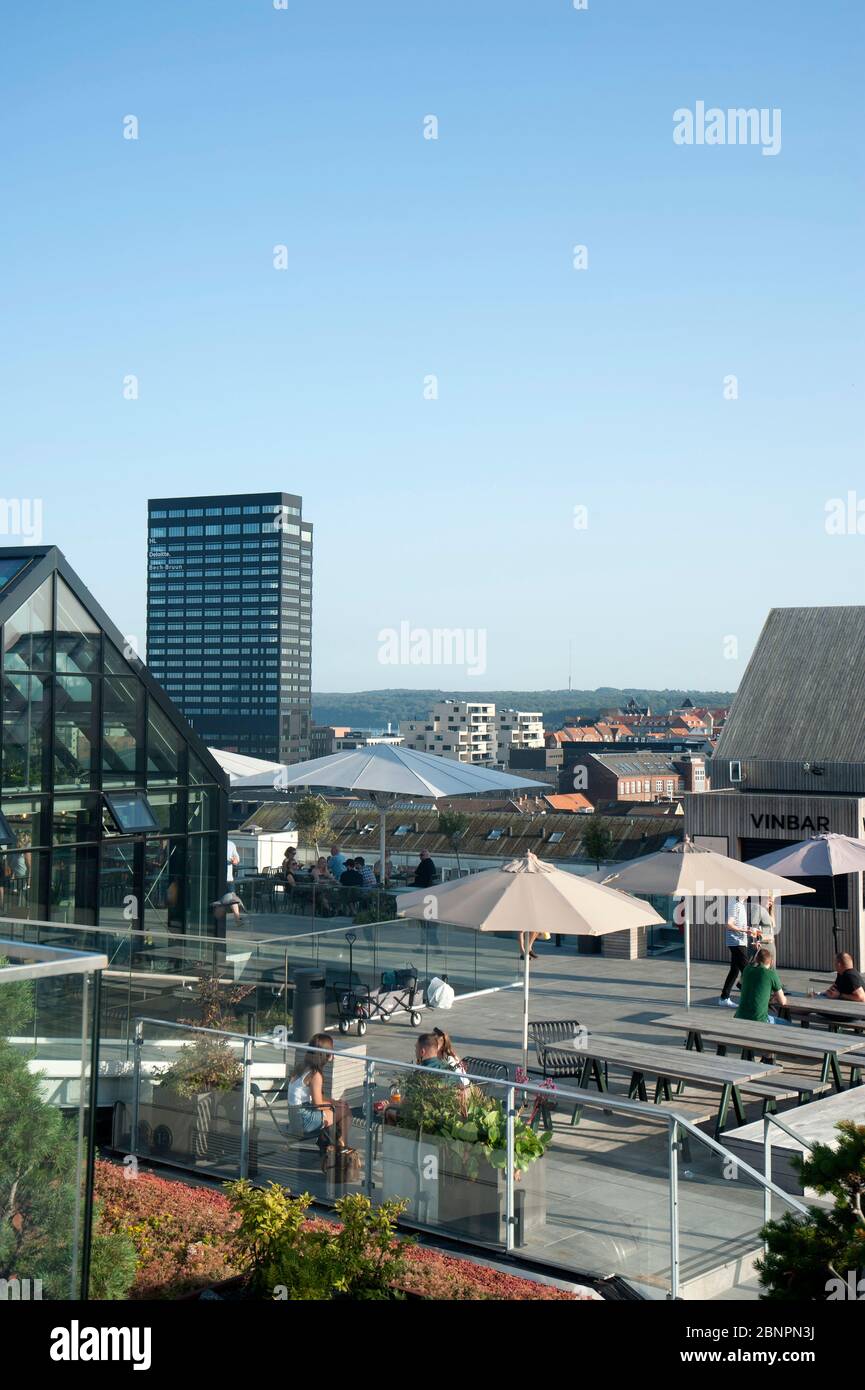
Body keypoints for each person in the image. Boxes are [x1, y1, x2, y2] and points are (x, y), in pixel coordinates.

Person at [287, 1034, 353, 1149]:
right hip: (304, 1121)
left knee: (339, 1108)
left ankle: (333, 1143)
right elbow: (317, 1104)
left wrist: (335, 1102)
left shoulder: (301, 1067)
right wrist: (335, 1106)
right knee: (345, 1112)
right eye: (331, 1050)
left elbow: (317, 1097)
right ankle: (342, 1146)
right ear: (325, 1054)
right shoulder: (315, 1074)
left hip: (294, 1118)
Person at [719, 895, 759, 1006]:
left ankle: (724, 998)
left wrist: (749, 929)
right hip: (736, 942)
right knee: (747, 971)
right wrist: (744, 931)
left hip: (740, 941)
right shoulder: (734, 904)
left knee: (734, 971)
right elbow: (728, 924)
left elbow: (737, 924)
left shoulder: (740, 905)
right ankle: (752, 999)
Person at [735, 947, 789, 1024]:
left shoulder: (747, 969)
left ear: (756, 959)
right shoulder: (771, 974)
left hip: (739, 1016)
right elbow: (783, 1002)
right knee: (788, 1023)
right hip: (759, 1019)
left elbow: (742, 985)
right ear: (771, 962)